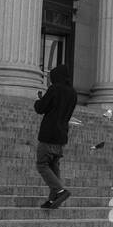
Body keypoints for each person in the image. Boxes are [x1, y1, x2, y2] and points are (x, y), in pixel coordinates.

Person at [34, 64, 77, 209]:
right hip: (61, 136)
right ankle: (52, 200)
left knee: (42, 164)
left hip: (49, 134)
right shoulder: (73, 93)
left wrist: (39, 100)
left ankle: (60, 191)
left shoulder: (55, 89)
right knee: (53, 166)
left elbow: (40, 108)